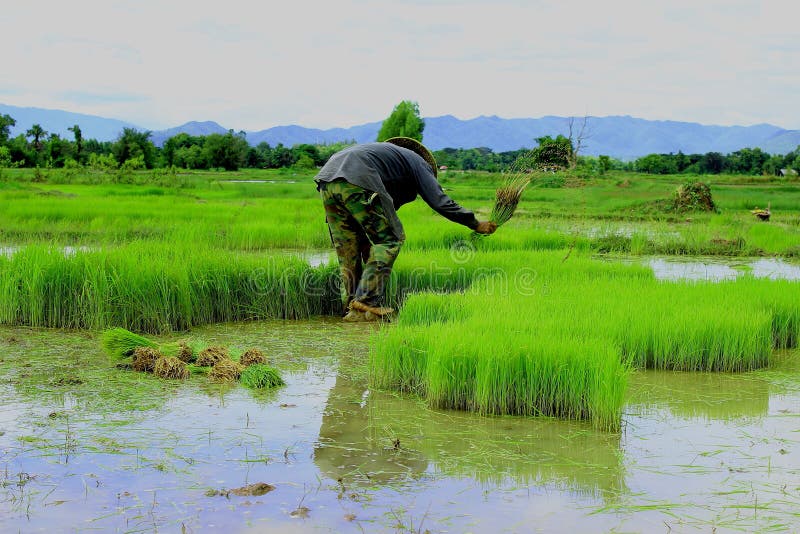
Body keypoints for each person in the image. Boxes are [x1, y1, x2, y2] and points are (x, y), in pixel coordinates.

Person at [315, 137, 497, 322]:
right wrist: (474, 223)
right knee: (390, 240)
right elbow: (439, 200)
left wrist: (370, 251)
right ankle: (364, 303)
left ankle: (352, 305)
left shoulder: (386, 157)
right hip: (357, 177)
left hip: (327, 178)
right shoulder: (419, 163)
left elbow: (381, 211)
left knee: (348, 246)